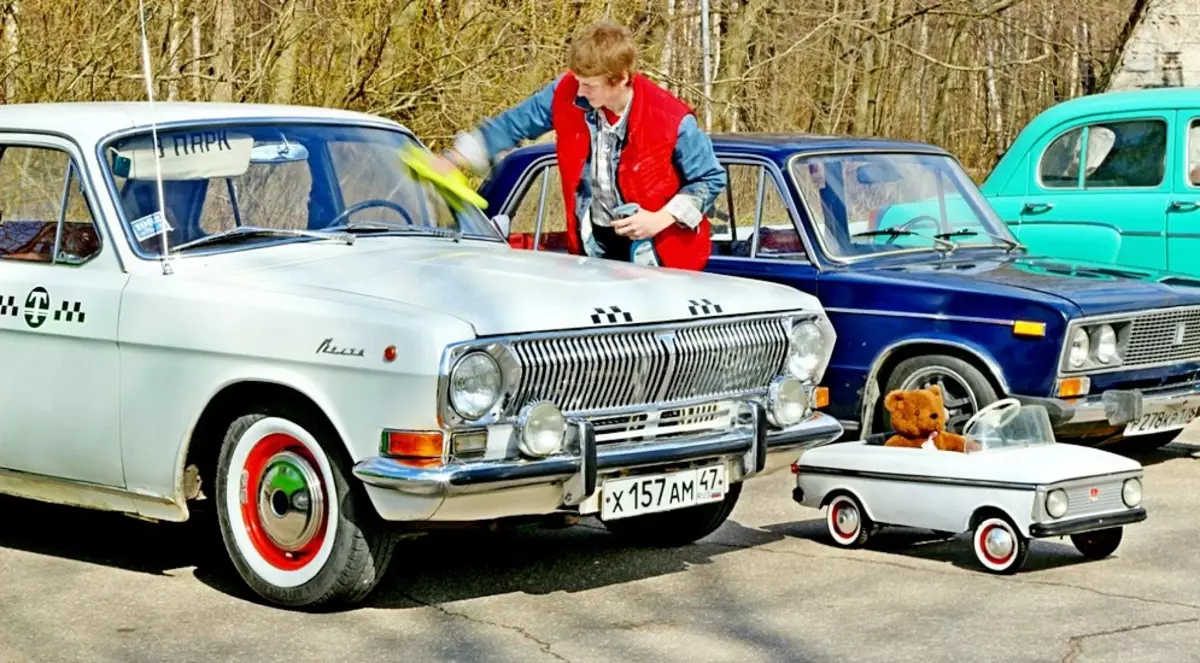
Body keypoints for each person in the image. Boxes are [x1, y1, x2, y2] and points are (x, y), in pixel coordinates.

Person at [439, 19, 727, 271]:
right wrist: (455, 158)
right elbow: (513, 124)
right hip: (593, 249)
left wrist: (660, 219)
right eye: (578, 81)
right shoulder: (565, 94)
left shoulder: (671, 118)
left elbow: (709, 179)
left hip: (662, 257)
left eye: (589, 85)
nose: (579, 91)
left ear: (621, 79)